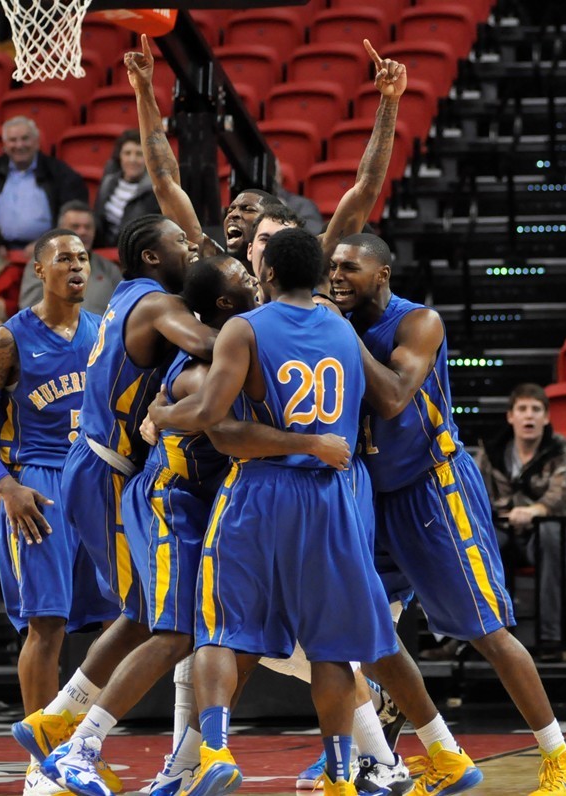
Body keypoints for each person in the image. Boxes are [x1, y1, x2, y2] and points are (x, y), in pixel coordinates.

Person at [37, 252, 362, 796]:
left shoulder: (245, 340)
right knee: (175, 633)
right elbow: (216, 420)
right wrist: (164, 415)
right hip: (168, 498)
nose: (253, 280)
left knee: (216, 637)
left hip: (208, 505)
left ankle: (182, 761)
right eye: (242, 279)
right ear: (223, 304)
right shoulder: (204, 366)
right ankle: (77, 747)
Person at [330, 233, 566, 796]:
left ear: (382, 274)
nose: (337, 276)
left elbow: (395, 396)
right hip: (374, 495)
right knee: (367, 629)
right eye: (331, 267)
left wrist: (341, 333)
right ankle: (443, 752)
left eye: (351, 268)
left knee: (485, 630)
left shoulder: (418, 322)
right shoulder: (335, 326)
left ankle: (561, 759)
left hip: (432, 488)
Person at [134, 228, 394, 796]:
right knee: (332, 649)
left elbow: (208, 411)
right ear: (322, 276)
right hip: (329, 498)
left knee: (220, 631)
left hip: (259, 492)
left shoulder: (245, 327)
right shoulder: (345, 334)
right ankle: (342, 775)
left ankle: (216, 750)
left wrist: (161, 411)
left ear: (269, 274)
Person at [9, 214, 218, 788]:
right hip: (104, 470)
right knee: (156, 618)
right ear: (151, 256)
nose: (190, 250)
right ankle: (69, 742)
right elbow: (214, 343)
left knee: (140, 610)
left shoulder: (132, 296)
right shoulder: (154, 304)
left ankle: (57, 720)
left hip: (105, 466)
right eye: (180, 242)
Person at [0, 228, 122, 794]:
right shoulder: (8, 339)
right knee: (45, 624)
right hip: (38, 487)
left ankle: (79, 749)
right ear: (39, 271)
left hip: (94, 484)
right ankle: (39, 762)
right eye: (64, 260)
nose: (77, 267)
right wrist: (5, 484)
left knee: (111, 623)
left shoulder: (104, 333)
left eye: (82, 259)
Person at [126, 34, 406, 269]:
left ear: (275, 222)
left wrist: (390, 102)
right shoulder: (212, 259)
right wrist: (144, 91)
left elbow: (365, 189)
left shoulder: (308, 261)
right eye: (231, 209)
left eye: (246, 209)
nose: (232, 215)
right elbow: (164, 182)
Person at [475, 383, 566, 660]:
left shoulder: (562, 450)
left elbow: (565, 493)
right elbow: (476, 494)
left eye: (536, 410)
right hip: (503, 527)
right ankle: (492, 637)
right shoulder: (492, 451)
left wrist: (536, 510)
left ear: (546, 418)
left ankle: (550, 638)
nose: (529, 416)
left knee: (550, 535)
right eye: (522, 409)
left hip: (549, 529)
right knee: (486, 543)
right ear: (510, 416)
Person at [0, 116, 88, 251]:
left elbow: (74, 213)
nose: (19, 145)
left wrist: (47, 243)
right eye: (13, 140)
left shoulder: (59, 172)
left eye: (25, 139)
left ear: (36, 142)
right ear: (5, 145)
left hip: (49, 251)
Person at [19, 201, 123, 317]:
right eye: (75, 226)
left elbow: (122, 311)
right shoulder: (42, 264)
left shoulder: (109, 269)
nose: (83, 232)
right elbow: (30, 309)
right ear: (60, 230)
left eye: (88, 227)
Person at [93, 129, 160, 248]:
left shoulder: (155, 190)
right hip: (105, 249)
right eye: (127, 153)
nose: (132, 160)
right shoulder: (108, 183)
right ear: (120, 156)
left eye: (139, 154)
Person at [274, 161, 323, 236]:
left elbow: (315, 234)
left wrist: (286, 213)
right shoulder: (252, 203)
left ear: (279, 177)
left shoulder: (304, 205)